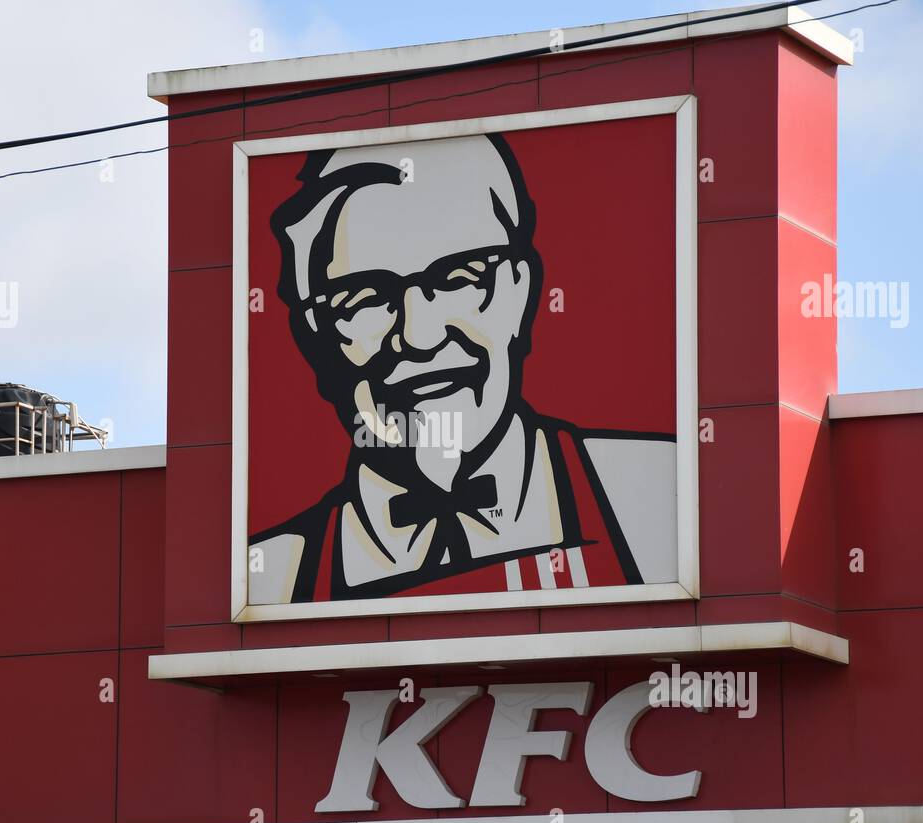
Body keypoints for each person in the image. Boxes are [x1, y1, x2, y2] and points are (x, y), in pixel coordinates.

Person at [249, 132, 676, 604]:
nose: (420, 336)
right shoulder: (272, 578)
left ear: (520, 291)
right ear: (317, 334)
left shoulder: (658, 494)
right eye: (364, 298)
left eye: (459, 278)